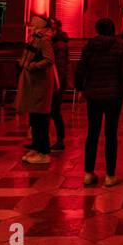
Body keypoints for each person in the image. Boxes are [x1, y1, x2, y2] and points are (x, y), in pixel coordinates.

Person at [74, 17, 123, 187]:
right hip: (113, 95)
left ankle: (88, 173)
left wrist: (80, 89)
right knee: (111, 134)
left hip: (94, 94)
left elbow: (80, 69)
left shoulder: (89, 46)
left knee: (92, 134)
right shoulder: (119, 47)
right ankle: (110, 175)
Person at [19, 14, 58, 164]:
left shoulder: (44, 40)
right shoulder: (35, 39)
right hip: (34, 82)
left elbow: (49, 59)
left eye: (33, 24)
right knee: (34, 117)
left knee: (41, 118)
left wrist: (32, 66)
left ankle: (43, 151)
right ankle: (36, 147)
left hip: (41, 83)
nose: (31, 26)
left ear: (40, 27)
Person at [49, 17, 69, 150]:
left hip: (56, 82)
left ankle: (60, 139)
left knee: (55, 111)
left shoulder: (59, 44)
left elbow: (61, 66)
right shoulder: (54, 42)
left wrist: (58, 84)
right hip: (54, 81)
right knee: (52, 111)